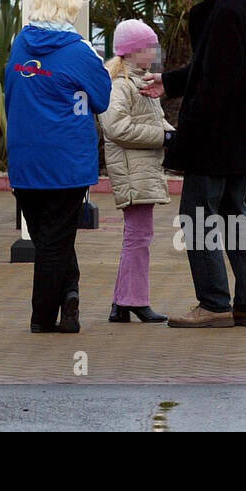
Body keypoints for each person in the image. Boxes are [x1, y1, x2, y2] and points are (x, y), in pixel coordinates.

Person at [142, 0, 246, 328]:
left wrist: (188, 130)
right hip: (238, 138)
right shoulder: (244, 3)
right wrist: (170, 82)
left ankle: (213, 302)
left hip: (213, 139)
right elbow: (212, 68)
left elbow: (215, 79)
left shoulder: (226, 9)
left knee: (197, 217)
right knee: (234, 218)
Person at [5, 0, 112, 334]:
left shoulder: (20, 44)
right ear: (71, 9)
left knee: (48, 238)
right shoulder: (80, 51)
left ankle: (69, 293)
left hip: (25, 159)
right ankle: (42, 317)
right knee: (56, 240)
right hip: (67, 162)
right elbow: (102, 98)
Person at [98, 19, 172, 324]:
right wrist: (164, 137)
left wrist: (173, 134)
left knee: (139, 235)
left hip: (140, 169)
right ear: (131, 52)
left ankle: (123, 301)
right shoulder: (120, 85)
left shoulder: (138, 81)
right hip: (133, 170)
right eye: (148, 46)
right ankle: (133, 300)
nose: (154, 52)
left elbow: (156, 121)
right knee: (138, 237)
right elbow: (116, 127)